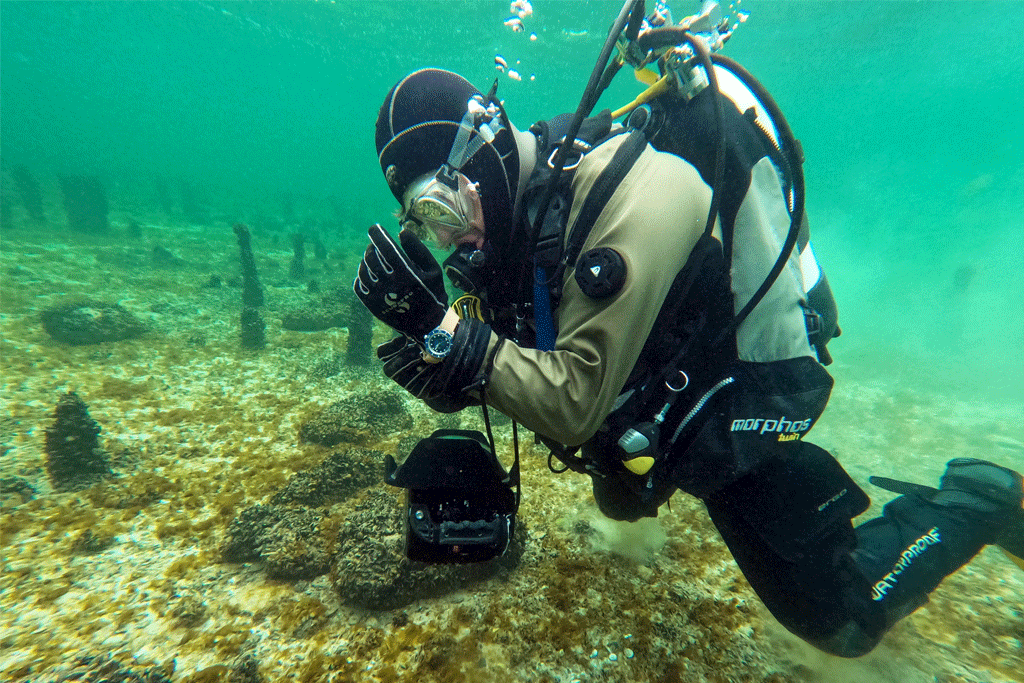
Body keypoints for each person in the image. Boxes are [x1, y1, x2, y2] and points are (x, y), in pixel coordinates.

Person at [353, 32, 1022, 658]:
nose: (444, 238)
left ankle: (980, 498)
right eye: (420, 221)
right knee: (622, 497)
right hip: (649, 396)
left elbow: (574, 403)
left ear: (481, 153)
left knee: (840, 619)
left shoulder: (631, 196)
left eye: (439, 207)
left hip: (728, 400)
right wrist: (447, 368)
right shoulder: (512, 223)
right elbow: (512, 346)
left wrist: (448, 336)